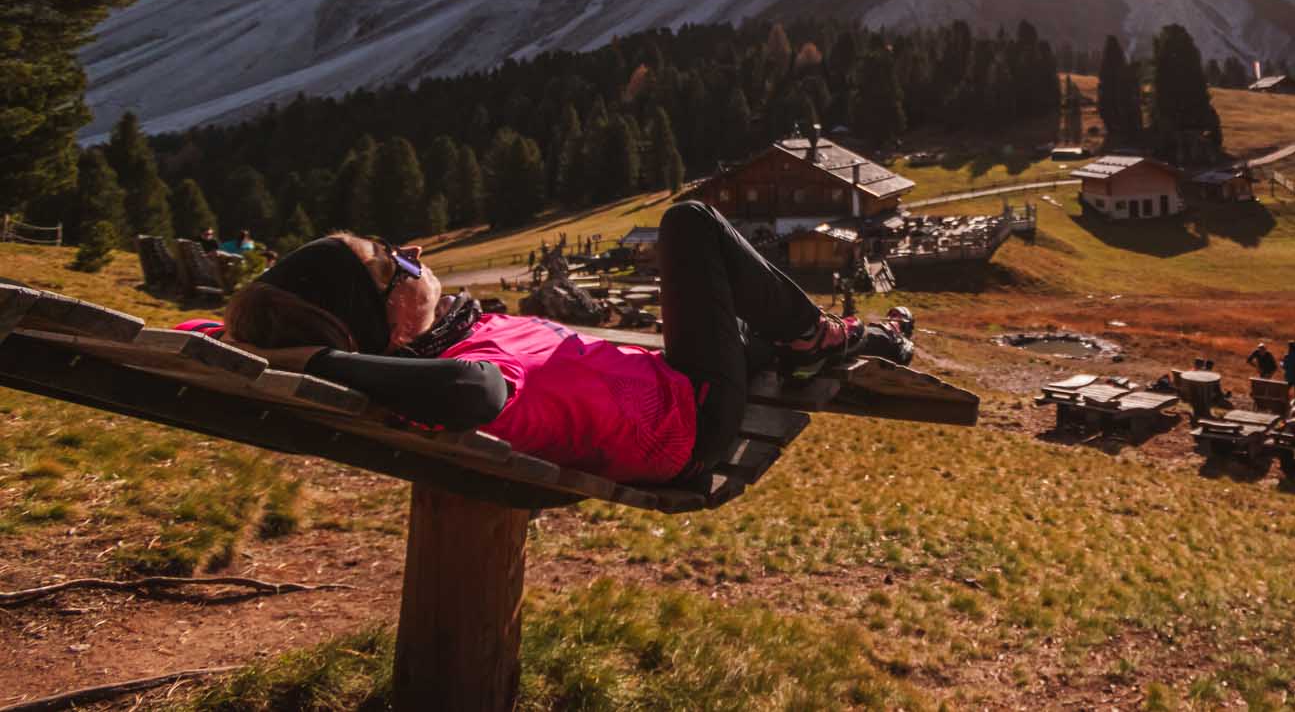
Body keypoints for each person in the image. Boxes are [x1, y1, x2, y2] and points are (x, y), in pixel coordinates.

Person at [219, 201, 909, 488]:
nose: (414, 251)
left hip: (670, 379)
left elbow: (220, 332)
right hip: (687, 416)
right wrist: (319, 360)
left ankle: (877, 334)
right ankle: (821, 333)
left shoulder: (451, 335)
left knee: (762, 333)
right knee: (690, 223)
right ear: (390, 320)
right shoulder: (461, 366)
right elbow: (474, 394)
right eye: (393, 260)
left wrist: (291, 344)